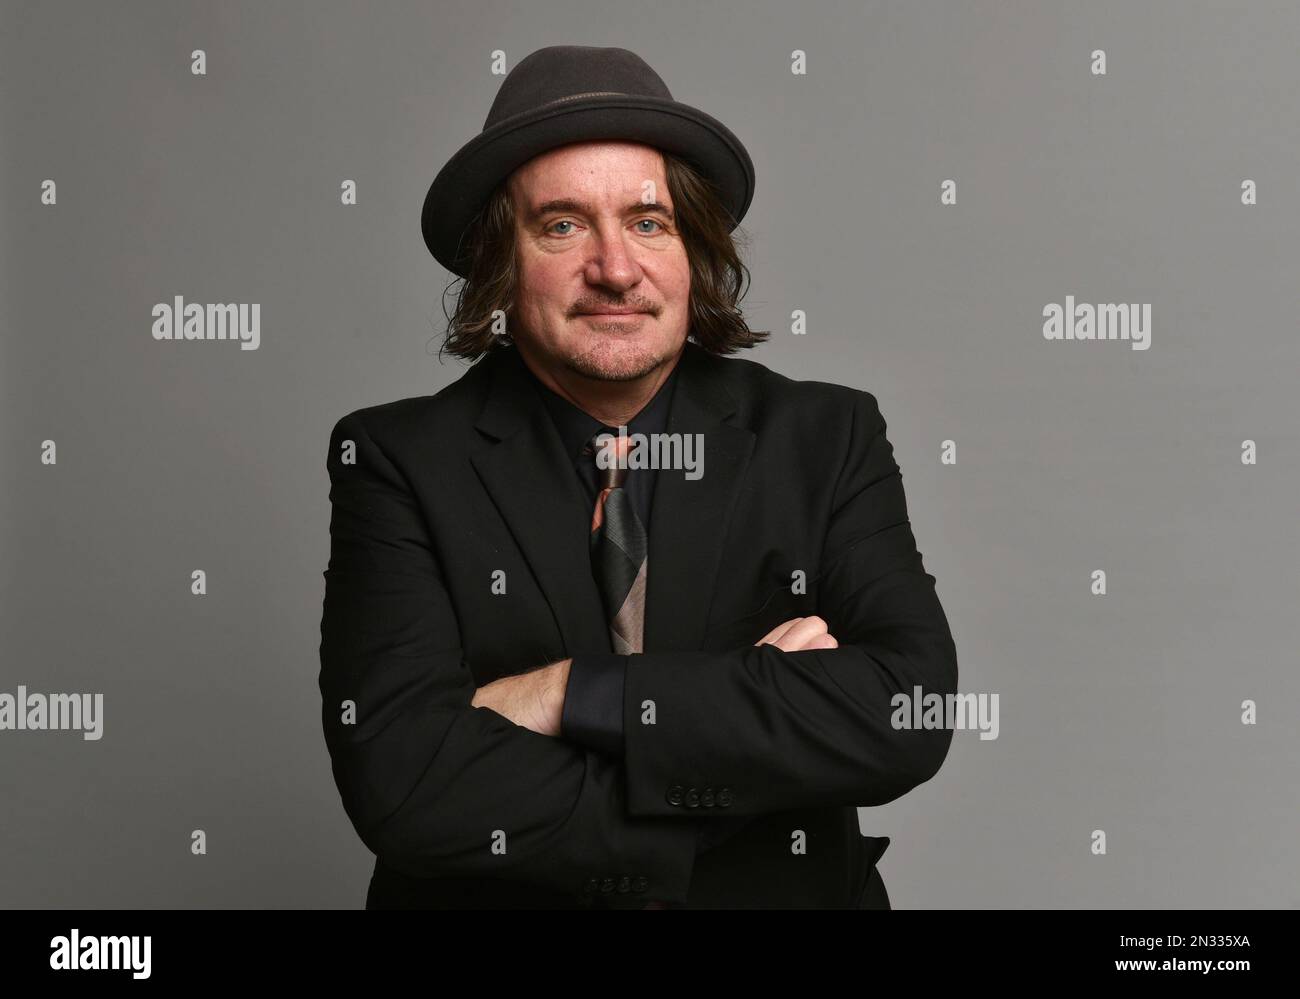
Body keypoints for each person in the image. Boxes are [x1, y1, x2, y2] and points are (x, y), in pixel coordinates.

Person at [318, 44, 959, 909]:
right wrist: (749, 728)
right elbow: (405, 786)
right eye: (563, 224)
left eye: (650, 222)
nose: (616, 268)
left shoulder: (825, 435)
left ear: (694, 246)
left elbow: (905, 711)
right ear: (499, 263)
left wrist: (568, 693)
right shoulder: (396, 460)